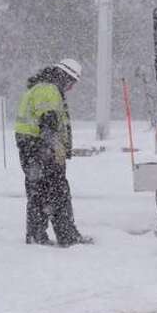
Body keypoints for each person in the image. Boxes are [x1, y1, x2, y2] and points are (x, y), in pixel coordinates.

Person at [14, 58, 91, 247]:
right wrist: (55, 149)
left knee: (38, 193)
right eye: (72, 82)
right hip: (41, 150)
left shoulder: (40, 88)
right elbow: (48, 122)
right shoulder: (48, 90)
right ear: (64, 76)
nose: (71, 88)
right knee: (58, 193)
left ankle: (37, 235)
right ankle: (66, 236)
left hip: (32, 149)